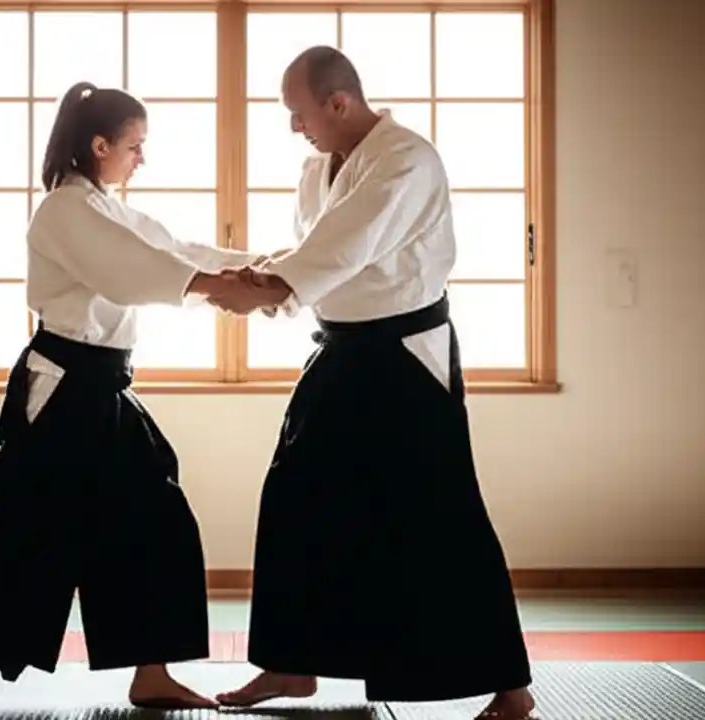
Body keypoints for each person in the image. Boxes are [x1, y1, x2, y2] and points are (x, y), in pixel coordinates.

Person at [0, 81, 262, 714]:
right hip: (64, 389)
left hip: (105, 386)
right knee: (11, 527)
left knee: (154, 514)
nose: (141, 158)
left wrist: (266, 267)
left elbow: (172, 250)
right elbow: (130, 272)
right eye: (135, 146)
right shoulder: (64, 211)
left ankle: (151, 669)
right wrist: (220, 285)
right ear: (98, 144)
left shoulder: (104, 206)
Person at [206, 47, 538, 719]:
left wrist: (266, 290)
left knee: (439, 512)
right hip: (341, 347)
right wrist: (262, 274)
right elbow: (317, 252)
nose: (297, 128)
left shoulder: (407, 160)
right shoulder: (316, 169)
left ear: (339, 103)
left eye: (301, 114)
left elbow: (345, 248)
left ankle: (510, 685)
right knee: (295, 495)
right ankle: (290, 663)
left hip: (405, 352)